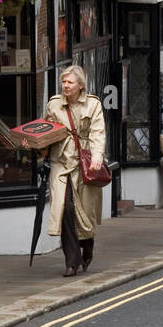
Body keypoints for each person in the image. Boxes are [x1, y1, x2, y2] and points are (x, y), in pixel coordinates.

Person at [45, 66, 107, 277]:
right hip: (61, 163)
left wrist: (97, 159)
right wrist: (31, 143)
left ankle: (87, 246)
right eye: (63, 82)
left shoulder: (93, 104)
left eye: (69, 82)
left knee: (85, 214)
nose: (65, 86)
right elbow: (46, 132)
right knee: (65, 210)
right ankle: (71, 261)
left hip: (85, 164)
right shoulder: (54, 104)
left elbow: (98, 134)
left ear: (80, 85)